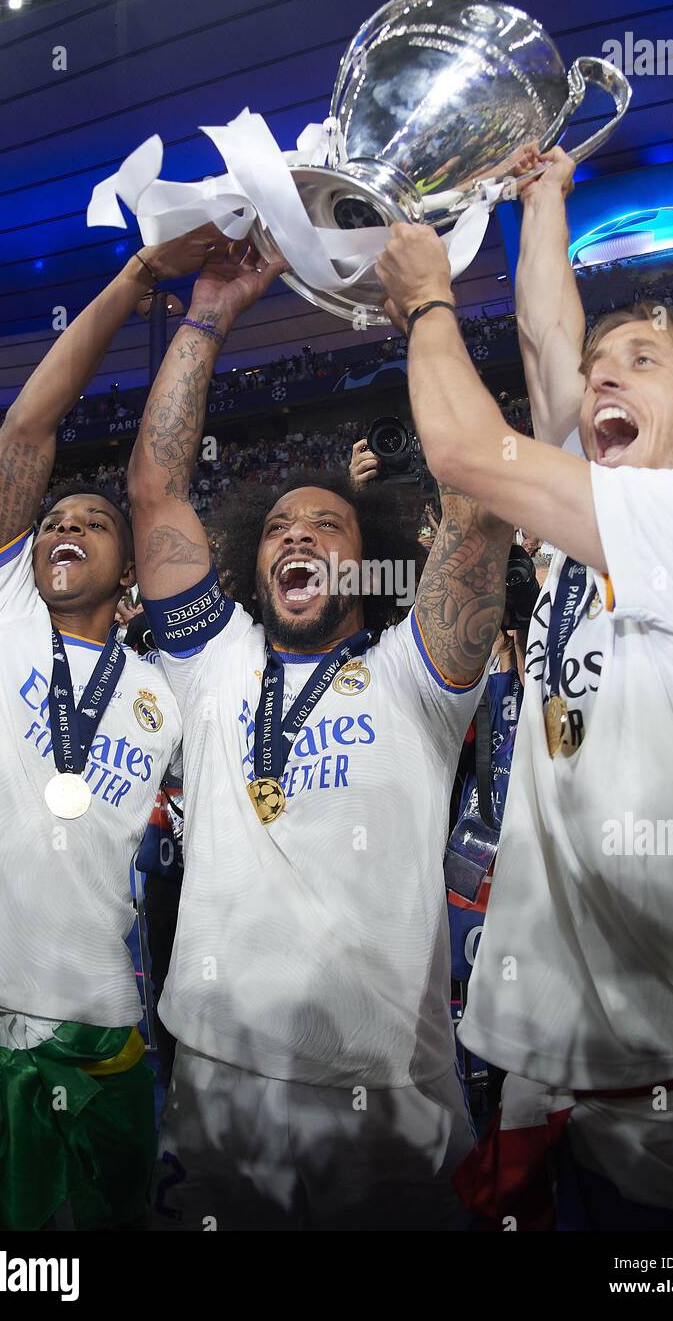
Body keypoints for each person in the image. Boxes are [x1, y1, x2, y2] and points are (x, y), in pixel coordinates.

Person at [374, 144, 673, 1231]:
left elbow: (468, 449)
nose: (605, 374)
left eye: (644, 361)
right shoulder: (592, 521)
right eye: (608, 361)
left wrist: (425, 302)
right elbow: (549, 341)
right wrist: (541, 197)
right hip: (541, 1058)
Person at [126, 240, 514, 1231]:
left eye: (328, 525)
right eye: (278, 527)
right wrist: (207, 313)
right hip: (212, 1108)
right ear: (253, 567)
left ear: (369, 559)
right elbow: (158, 495)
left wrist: (423, 309)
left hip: (389, 1119)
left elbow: (475, 517)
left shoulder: (410, 679)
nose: (298, 534)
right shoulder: (213, 659)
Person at [0, 229, 220, 1230]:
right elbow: (22, 436)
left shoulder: (162, 689)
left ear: (131, 574)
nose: (63, 527)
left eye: (92, 523)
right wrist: (140, 275)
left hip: (94, 1028)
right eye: (54, 521)